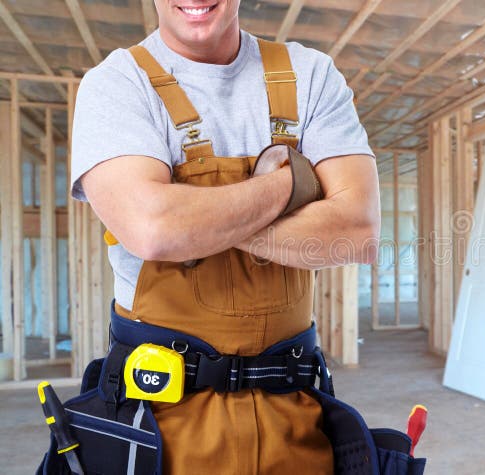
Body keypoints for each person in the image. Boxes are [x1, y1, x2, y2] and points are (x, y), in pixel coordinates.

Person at [36, 1, 426, 474]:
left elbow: (357, 233)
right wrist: (289, 184)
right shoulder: (118, 82)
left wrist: (197, 216)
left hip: (297, 421)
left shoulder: (311, 75)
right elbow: (154, 229)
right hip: (159, 427)